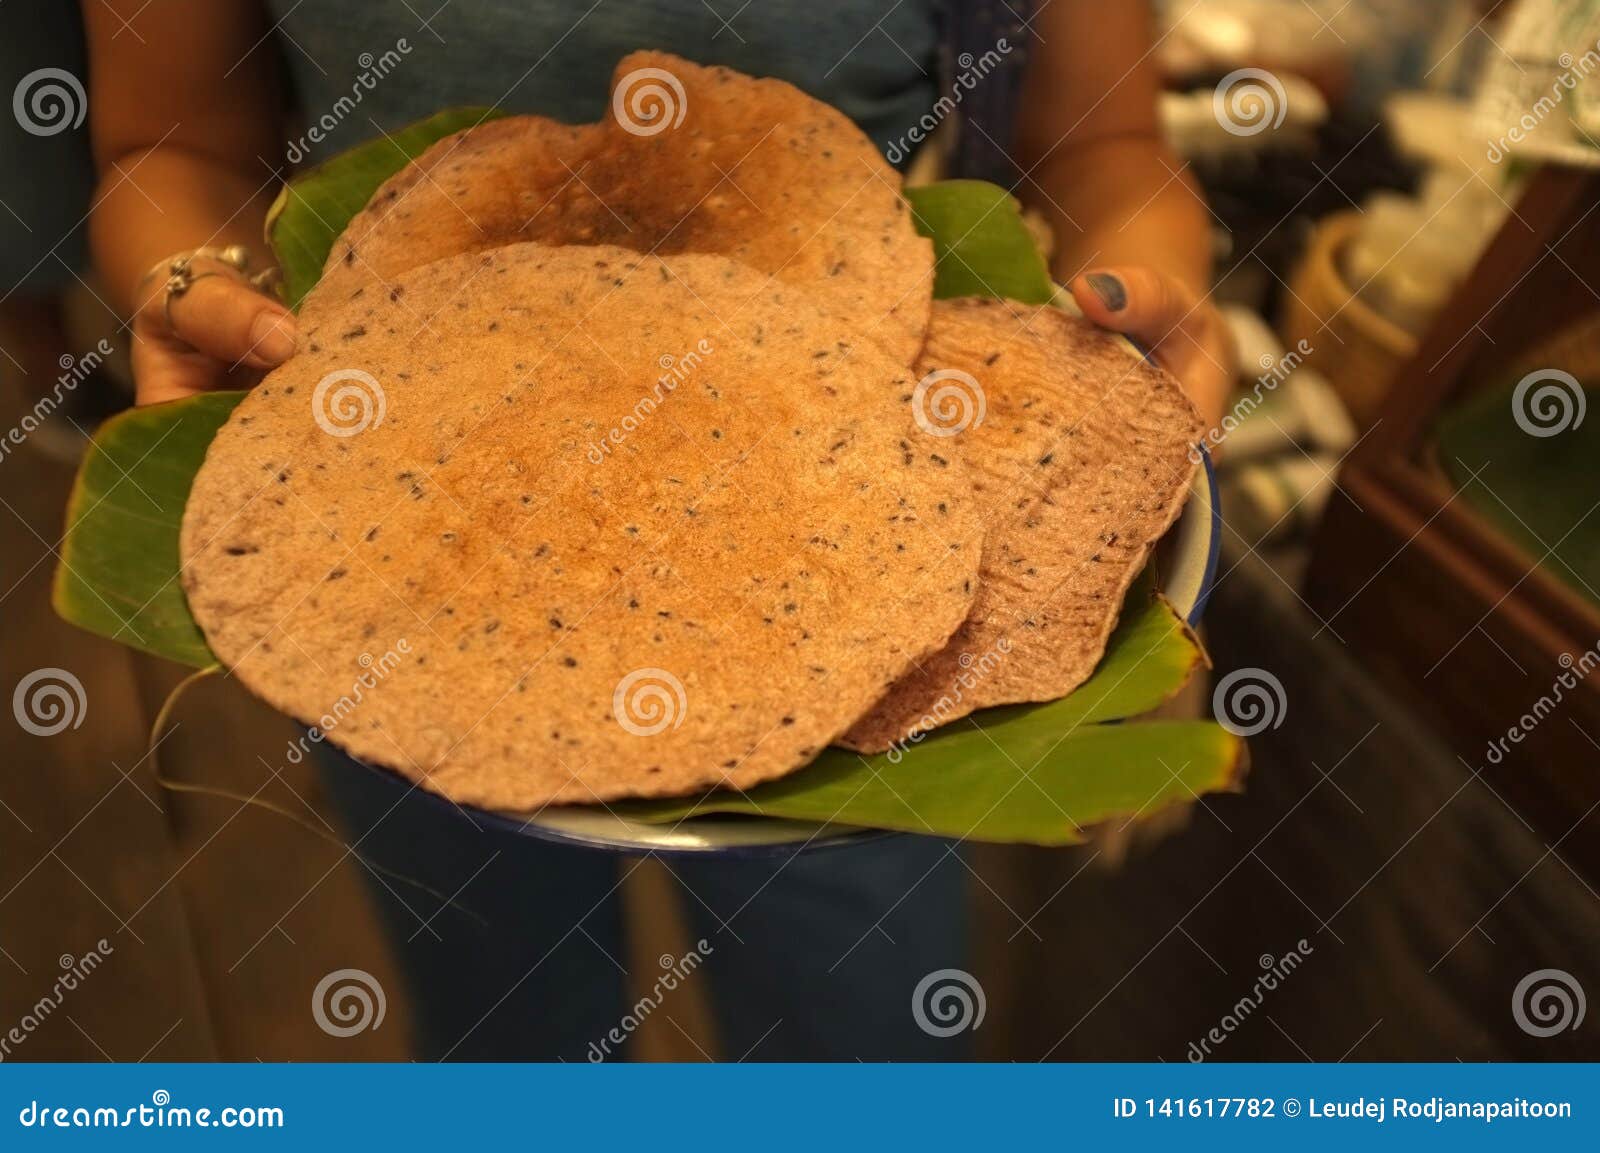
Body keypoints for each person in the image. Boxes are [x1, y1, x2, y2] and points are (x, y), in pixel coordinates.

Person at [83, 0, 1233, 1059]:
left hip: (860, 602)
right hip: (399, 545)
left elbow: (1101, 140)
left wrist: (1140, 304)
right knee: (509, 1033)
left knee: (859, 1036)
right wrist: (201, 283)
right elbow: (172, 149)